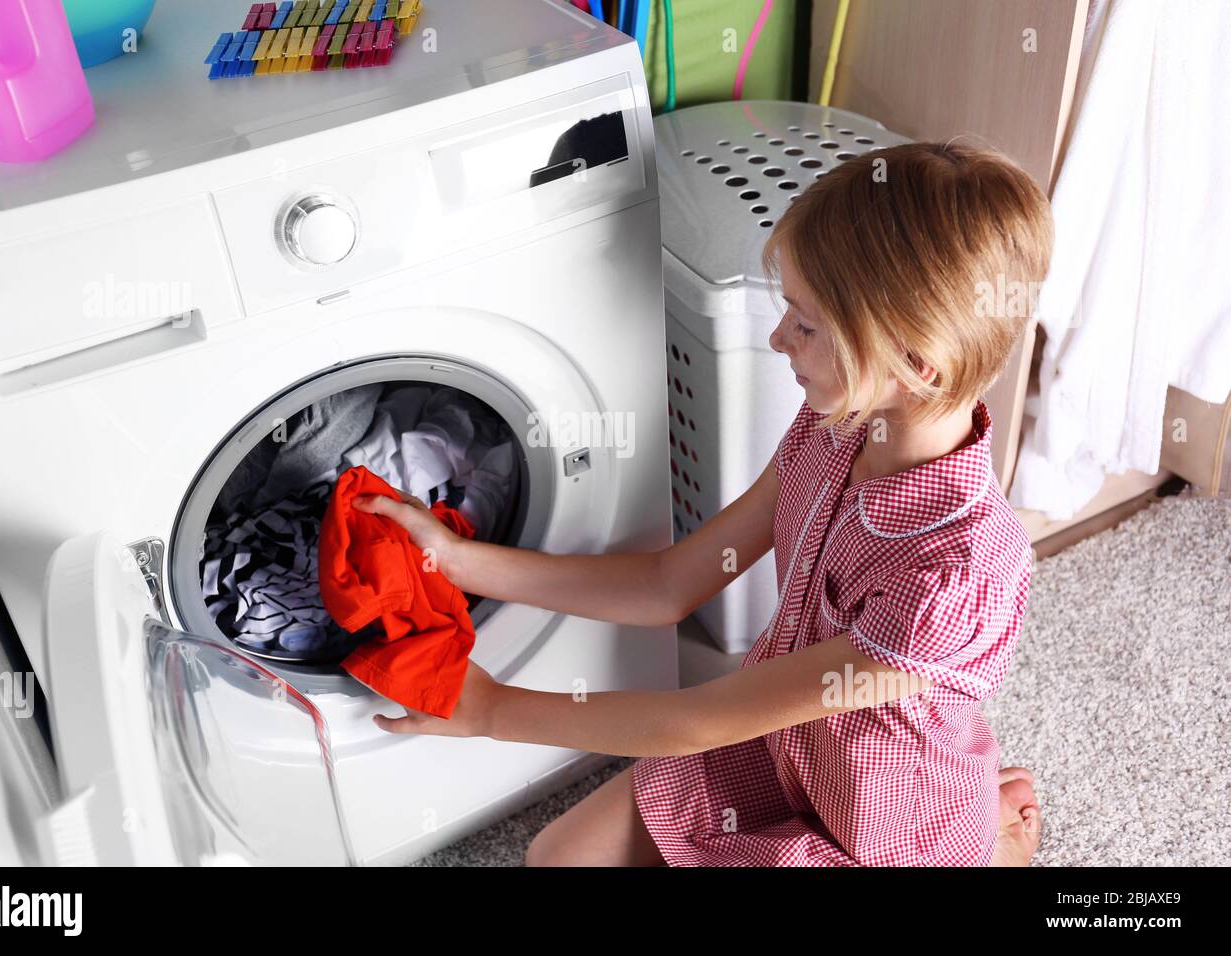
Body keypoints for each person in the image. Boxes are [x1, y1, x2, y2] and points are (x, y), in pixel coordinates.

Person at [353, 141, 1051, 867]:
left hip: (881, 834)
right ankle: (977, 816)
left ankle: (979, 846)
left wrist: (493, 712)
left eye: (805, 325)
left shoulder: (957, 576)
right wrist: (460, 560)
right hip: (780, 745)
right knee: (555, 858)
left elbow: (695, 719)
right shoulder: (833, 428)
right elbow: (669, 585)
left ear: (914, 364)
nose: (779, 338)